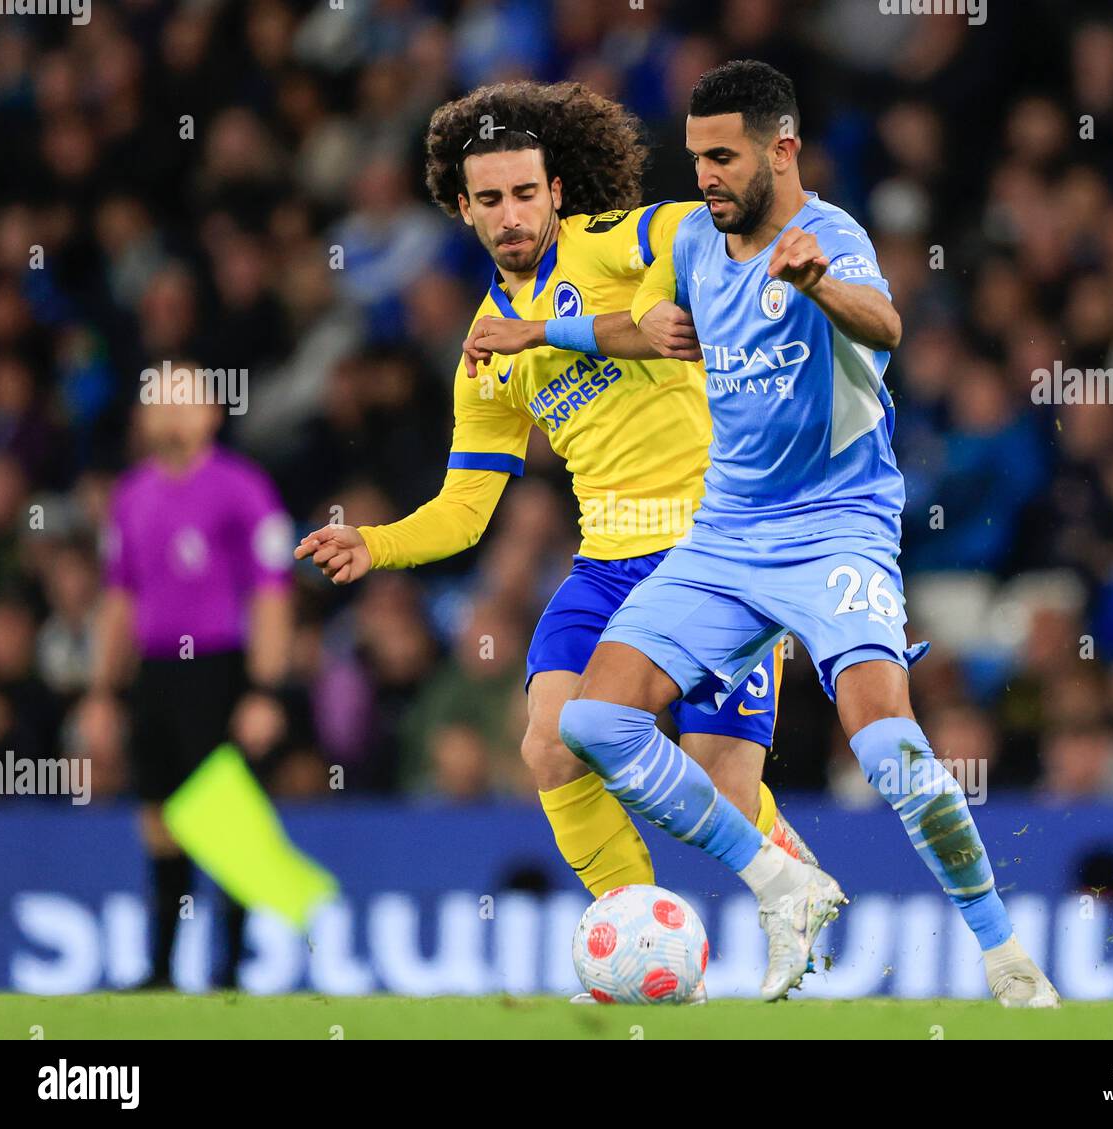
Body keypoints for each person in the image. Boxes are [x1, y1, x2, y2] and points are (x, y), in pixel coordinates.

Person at [554, 60, 1060, 1006]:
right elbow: (655, 330)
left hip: (836, 534)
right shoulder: (701, 249)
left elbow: (887, 323)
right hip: (724, 538)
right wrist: (551, 333)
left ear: (782, 148)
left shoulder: (830, 236)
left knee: (885, 746)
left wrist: (820, 283)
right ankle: (782, 881)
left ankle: (1003, 952)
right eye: (695, 155)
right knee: (593, 720)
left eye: (722, 156)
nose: (703, 175)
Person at [295, 83, 819, 938]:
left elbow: (687, 226)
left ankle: (787, 874)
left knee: (720, 784)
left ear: (558, 192)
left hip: (718, 547)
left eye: (526, 193)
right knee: (549, 742)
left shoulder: (608, 244)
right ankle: (641, 931)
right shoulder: (484, 350)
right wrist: (375, 544)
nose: (512, 215)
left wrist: (652, 297)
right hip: (608, 562)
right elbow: (466, 510)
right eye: (491, 199)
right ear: (464, 209)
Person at [90, 394, 294, 988]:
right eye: (156, 400)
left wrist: (264, 689)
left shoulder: (242, 488)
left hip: (221, 670)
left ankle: (230, 969)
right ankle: (159, 971)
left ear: (211, 413)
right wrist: (102, 691)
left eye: (184, 399)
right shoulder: (130, 495)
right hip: (154, 672)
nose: (168, 413)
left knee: (226, 818)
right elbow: (119, 600)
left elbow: (272, 593)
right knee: (158, 817)